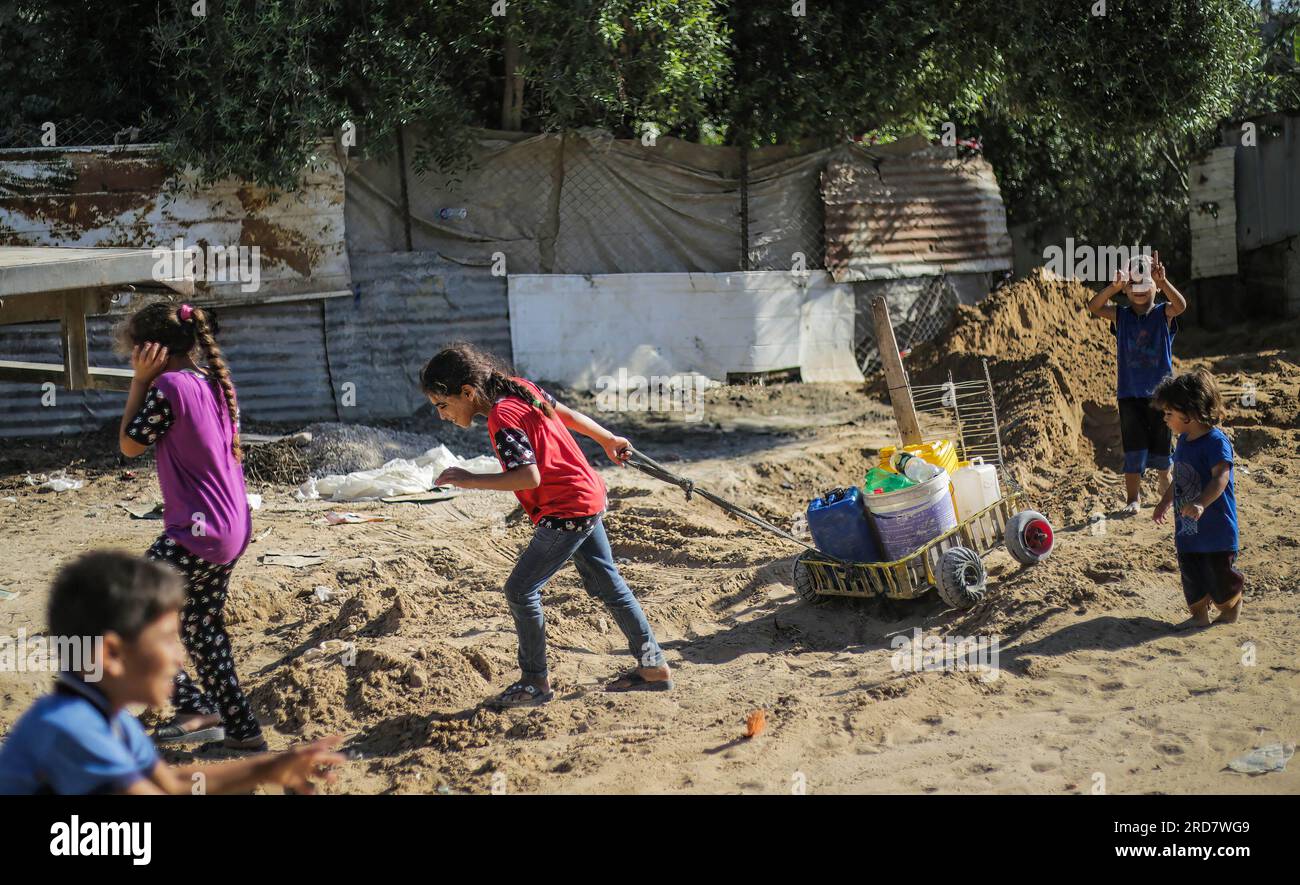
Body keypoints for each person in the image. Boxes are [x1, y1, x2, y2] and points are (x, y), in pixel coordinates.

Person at [419, 343, 672, 707]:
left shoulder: (502, 416)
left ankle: (535, 681)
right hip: (586, 495)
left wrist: (469, 478)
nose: (442, 415)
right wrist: (607, 438)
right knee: (608, 583)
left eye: (443, 405)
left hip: (567, 510)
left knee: (521, 590)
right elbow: (566, 415)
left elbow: (528, 476)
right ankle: (653, 668)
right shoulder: (521, 387)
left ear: (468, 392)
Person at [0, 551, 344, 794]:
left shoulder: (110, 721)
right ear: (112, 654)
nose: (179, 657)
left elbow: (176, 784)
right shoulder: (71, 730)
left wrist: (268, 769)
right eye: (168, 640)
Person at [115, 301, 262, 750]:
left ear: (149, 351)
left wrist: (140, 381)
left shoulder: (168, 388)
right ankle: (242, 729)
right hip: (232, 527)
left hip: (197, 534)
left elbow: (129, 446)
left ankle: (195, 706)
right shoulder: (211, 381)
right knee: (200, 623)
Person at [1087, 251, 1188, 513]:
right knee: (1133, 450)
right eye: (1132, 286)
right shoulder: (1121, 316)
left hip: (1161, 395)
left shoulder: (1163, 313)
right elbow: (1094, 306)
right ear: (1126, 290)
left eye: (1146, 284)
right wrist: (1114, 286)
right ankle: (1133, 499)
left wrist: (1164, 282)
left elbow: (1181, 306)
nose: (1139, 291)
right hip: (1129, 395)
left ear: (1156, 285)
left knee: (1162, 448)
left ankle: (1164, 479)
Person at [1151, 370, 1243, 627]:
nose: (1165, 418)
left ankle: (1231, 606)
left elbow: (1220, 478)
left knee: (1218, 577)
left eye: (1169, 413)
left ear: (1189, 415)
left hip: (1216, 530)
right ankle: (1199, 615)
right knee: (1191, 575)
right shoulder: (1182, 441)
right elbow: (1180, 477)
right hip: (1187, 530)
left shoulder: (1216, 442)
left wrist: (1202, 502)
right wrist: (1165, 501)